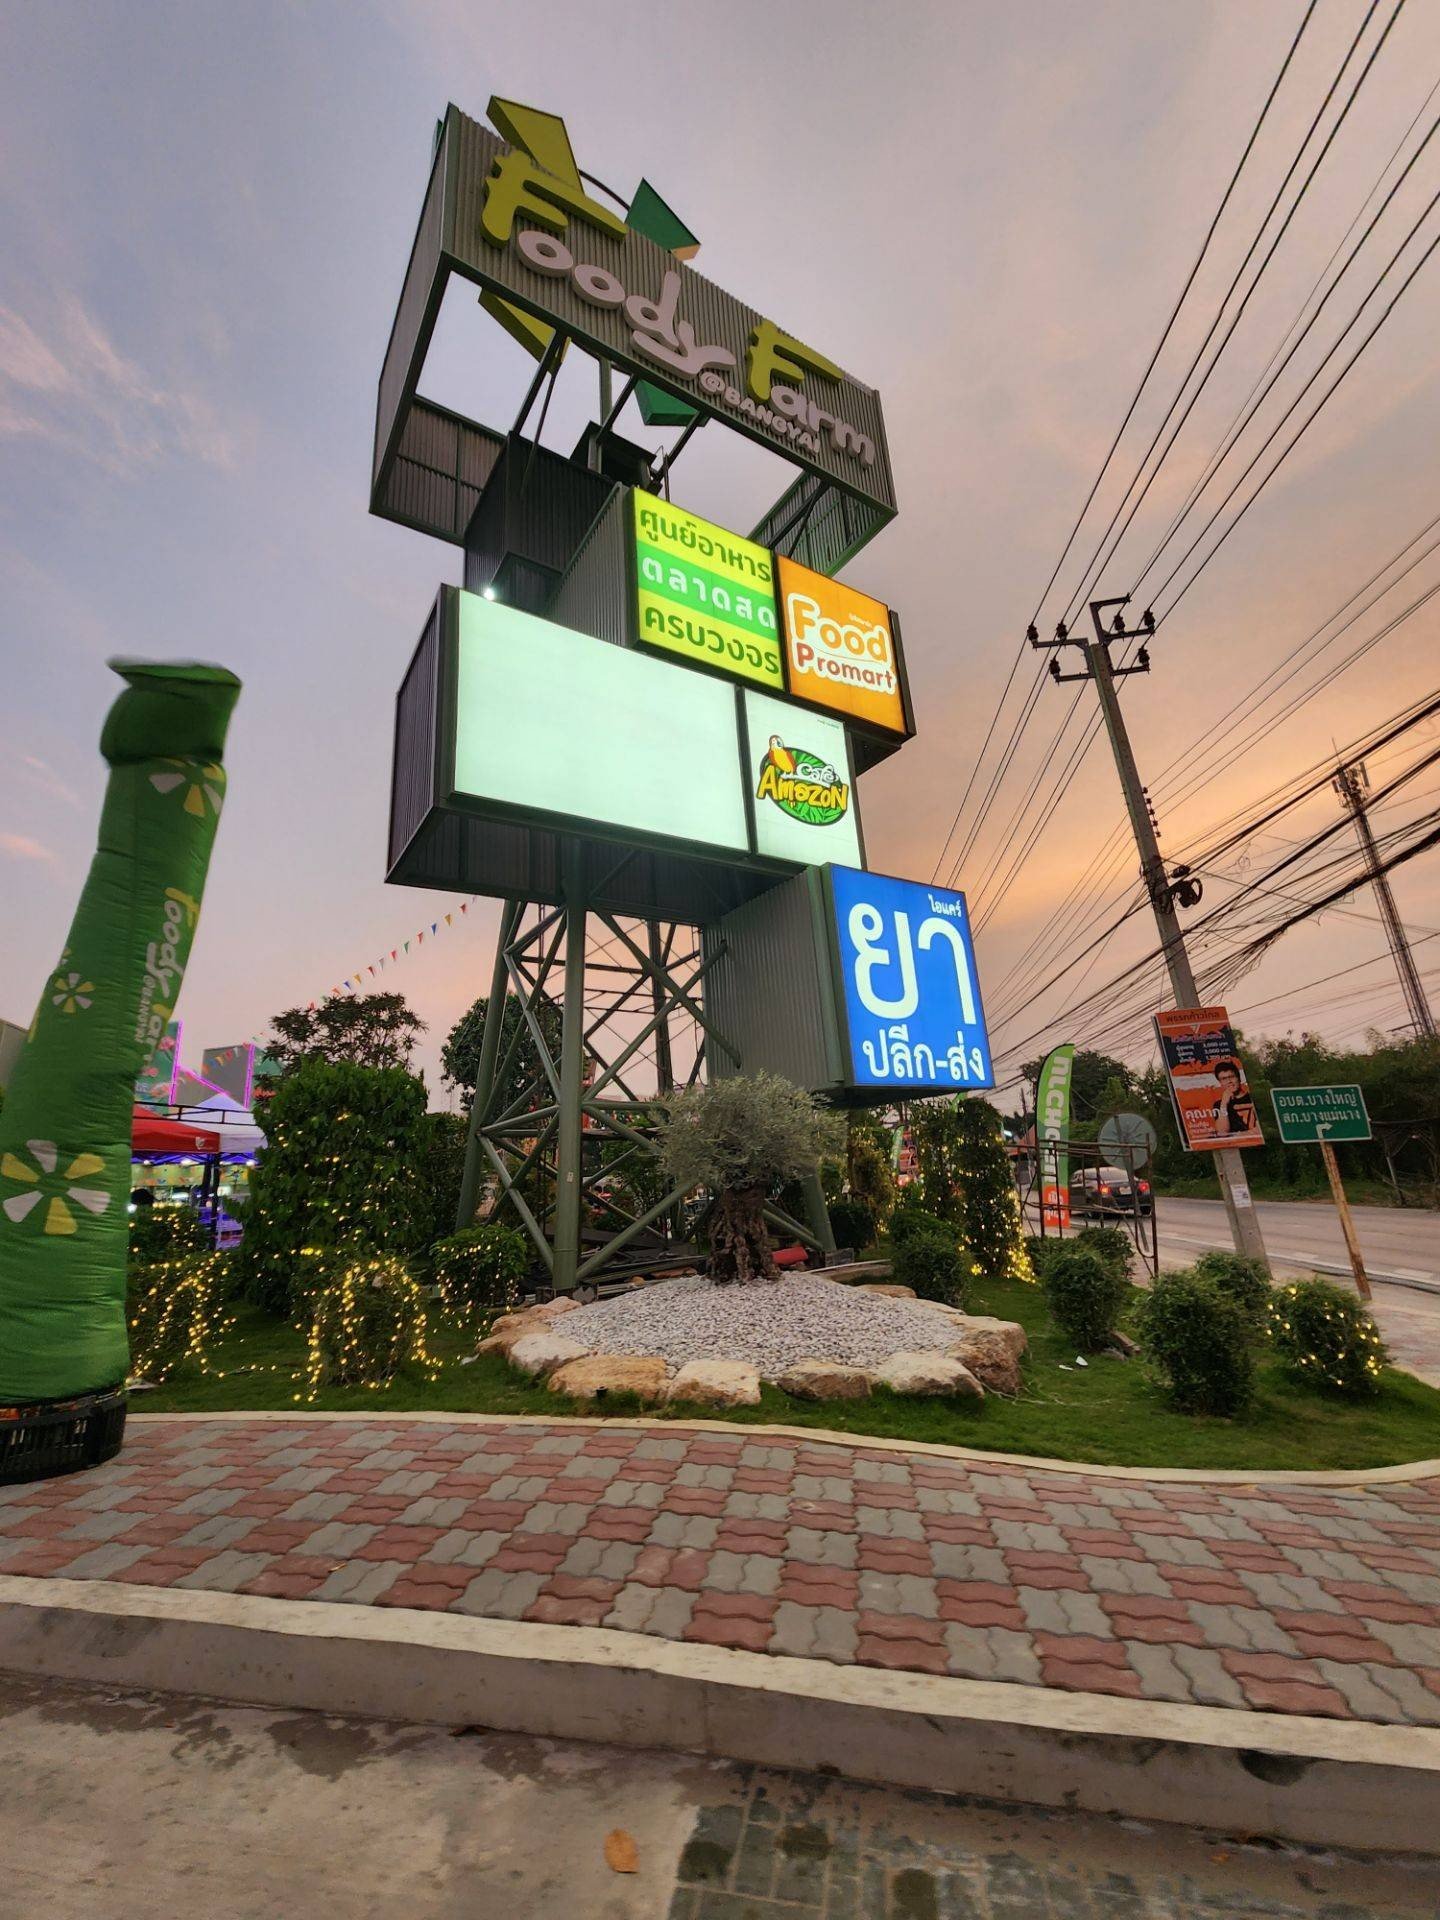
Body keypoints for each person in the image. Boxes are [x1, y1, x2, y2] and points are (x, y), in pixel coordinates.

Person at [1210, 1059, 1256, 1137]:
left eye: (1231, 1077)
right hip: (1235, 1146)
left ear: (1239, 1078)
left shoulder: (1252, 1098)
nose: (1229, 1081)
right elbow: (1222, 1132)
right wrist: (1224, 1104)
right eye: (1224, 1079)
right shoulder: (1219, 1105)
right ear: (1220, 1083)